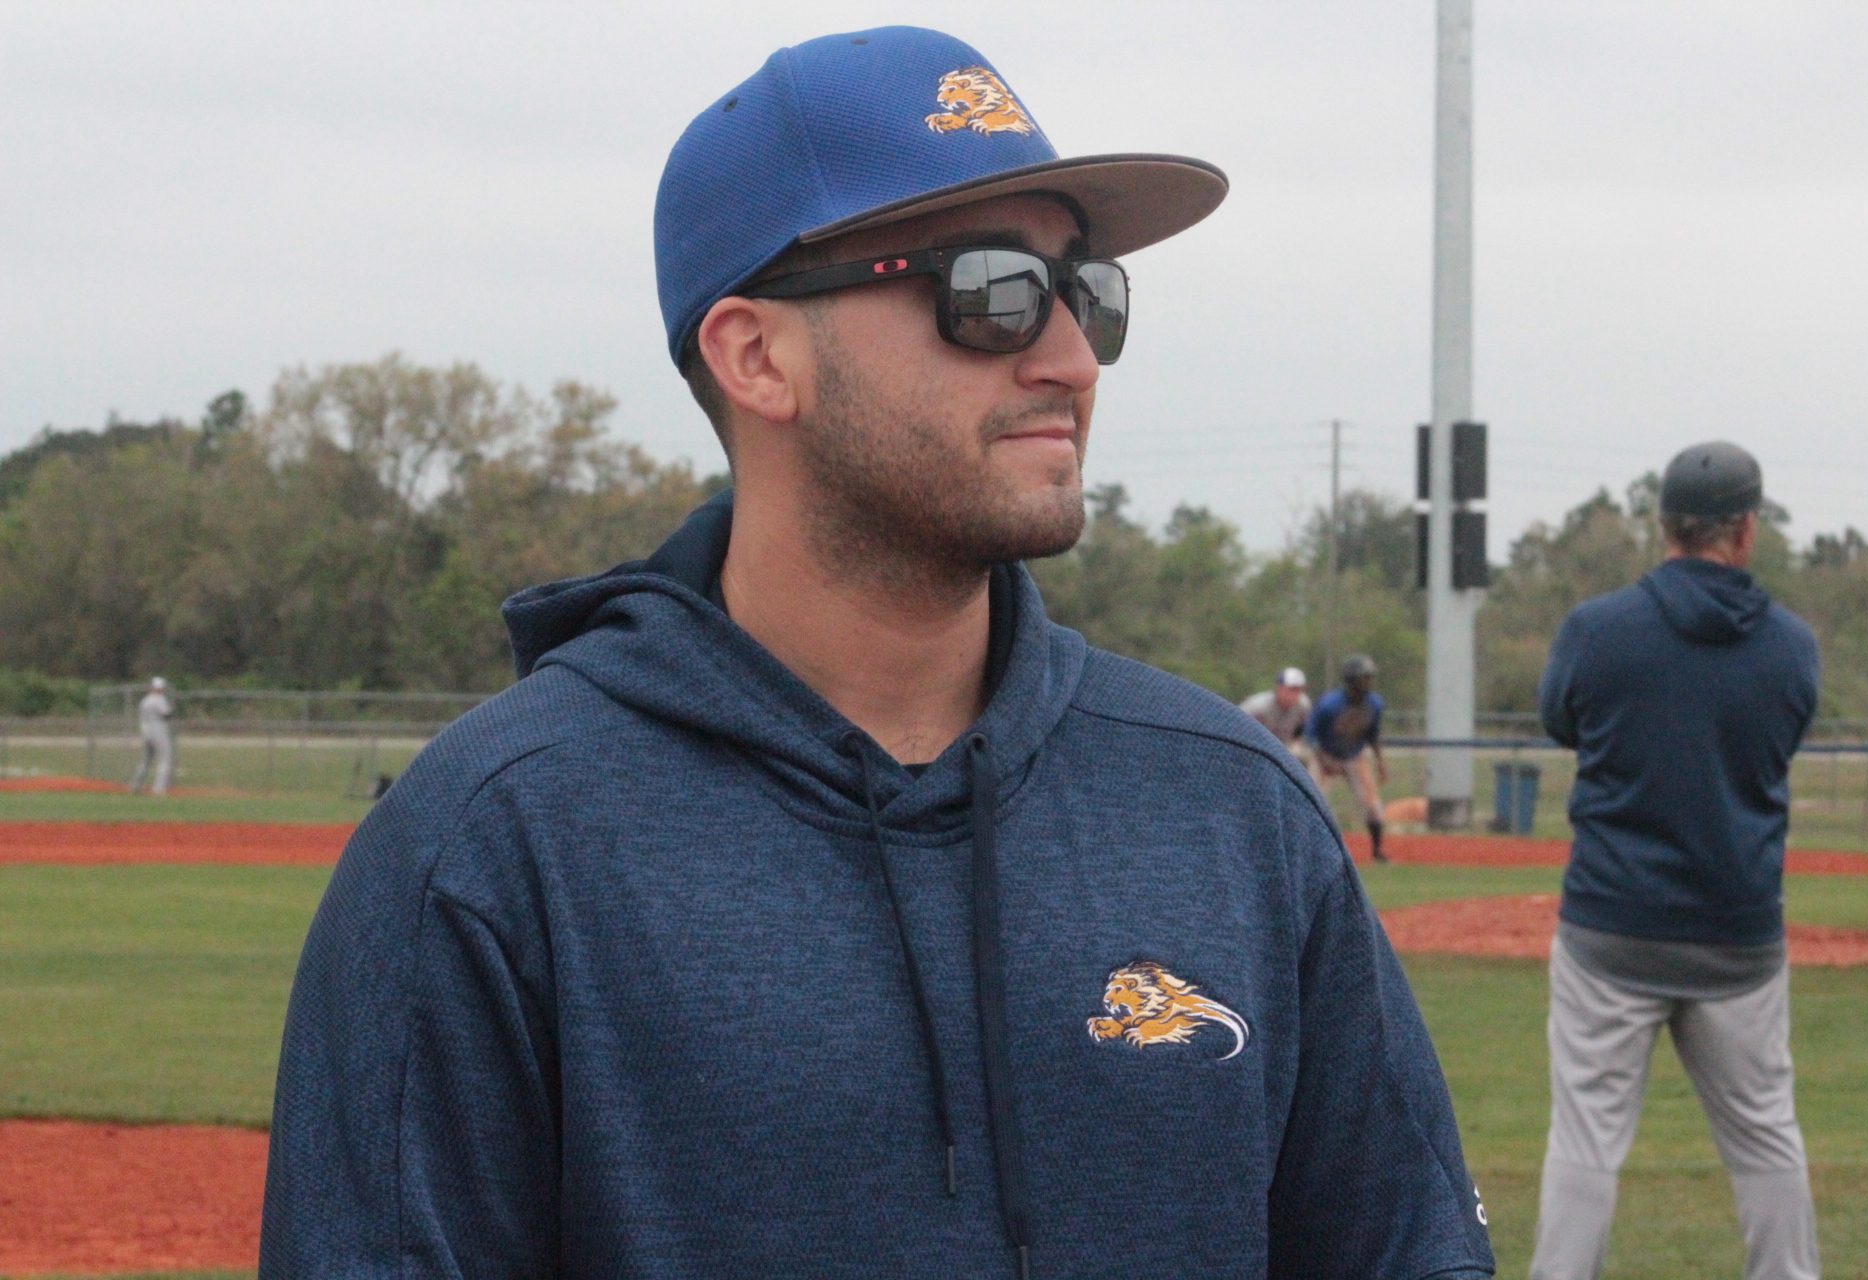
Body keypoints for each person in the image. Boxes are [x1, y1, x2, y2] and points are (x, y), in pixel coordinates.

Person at [262, 28, 1493, 1280]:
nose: (1068, 356)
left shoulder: (1235, 808)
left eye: (1089, 292)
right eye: (991, 289)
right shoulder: (495, 840)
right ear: (755, 354)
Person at [1529, 442, 1821, 1280]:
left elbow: (1562, 721)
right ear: (1747, 529)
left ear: (1664, 526)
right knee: (1767, 1138)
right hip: (1739, 935)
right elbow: (1781, 738)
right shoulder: (1792, 647)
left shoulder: (1598, 629)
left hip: (1611, 927)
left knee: (1585, 1141)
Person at [1308, 654, 1389, 862]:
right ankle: (1312, 853)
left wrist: (1380, 761)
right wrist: (1323, 760)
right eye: (1365, 677)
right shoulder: (1329, 704)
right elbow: (1311, 734)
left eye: (1370, 677)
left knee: (1372, 805)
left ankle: (1378, 851)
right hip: (1325, 756)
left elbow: (1373, 735)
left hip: (1354, 756)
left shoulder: (1375, 703)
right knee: (1311, 802)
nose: (1369, 682)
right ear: (1352, 680)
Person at [1239, 666, 1312, 762]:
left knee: (1303, 757)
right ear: (1278, 688)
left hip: (1282, 750)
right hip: (1253, 748)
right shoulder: (1258, 706)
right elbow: (1236, 725)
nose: (1295, 694)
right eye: (1291, 689)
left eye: (1298, 690)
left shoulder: (1303, 705)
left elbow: (1300, 729)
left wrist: (1296, 744)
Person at [129, 677, 173, 796]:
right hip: (158, 731)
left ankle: (136, 786)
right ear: (160, 688)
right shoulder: (159, 699)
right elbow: (167, 714)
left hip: (146, 732)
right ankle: (158, 789)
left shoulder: (145, 700)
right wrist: (171, 708)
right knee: (165, 759)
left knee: (146, 760)